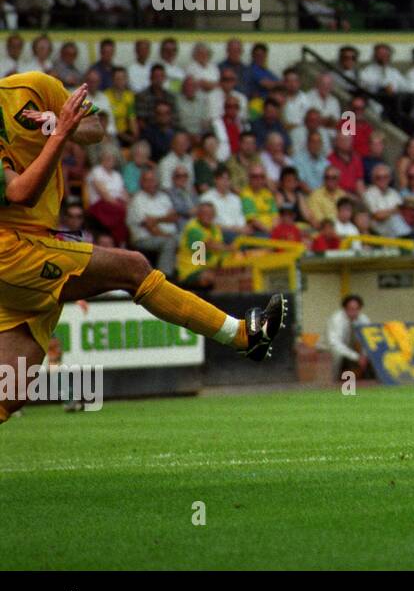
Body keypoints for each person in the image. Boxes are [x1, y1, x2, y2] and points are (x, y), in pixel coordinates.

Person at [0, 75, 285, 428]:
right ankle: (242, 334)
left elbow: (94, 127)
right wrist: (59, 134)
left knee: (9, 394)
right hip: (12, 251)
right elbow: (22, 194)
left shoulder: (32, 86)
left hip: (36, 243)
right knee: (133, 267)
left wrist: (61, 124)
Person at [324, 294, 370, 379]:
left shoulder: (363, 319)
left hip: (355, 353)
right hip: (336, 353)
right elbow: (335, 344)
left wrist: (364, 355)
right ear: (344, 308)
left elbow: (368, 340)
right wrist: (357, 357)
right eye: (351, 309)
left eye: (357, 309)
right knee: (339, 376)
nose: (354, 312)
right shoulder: (336, 319)